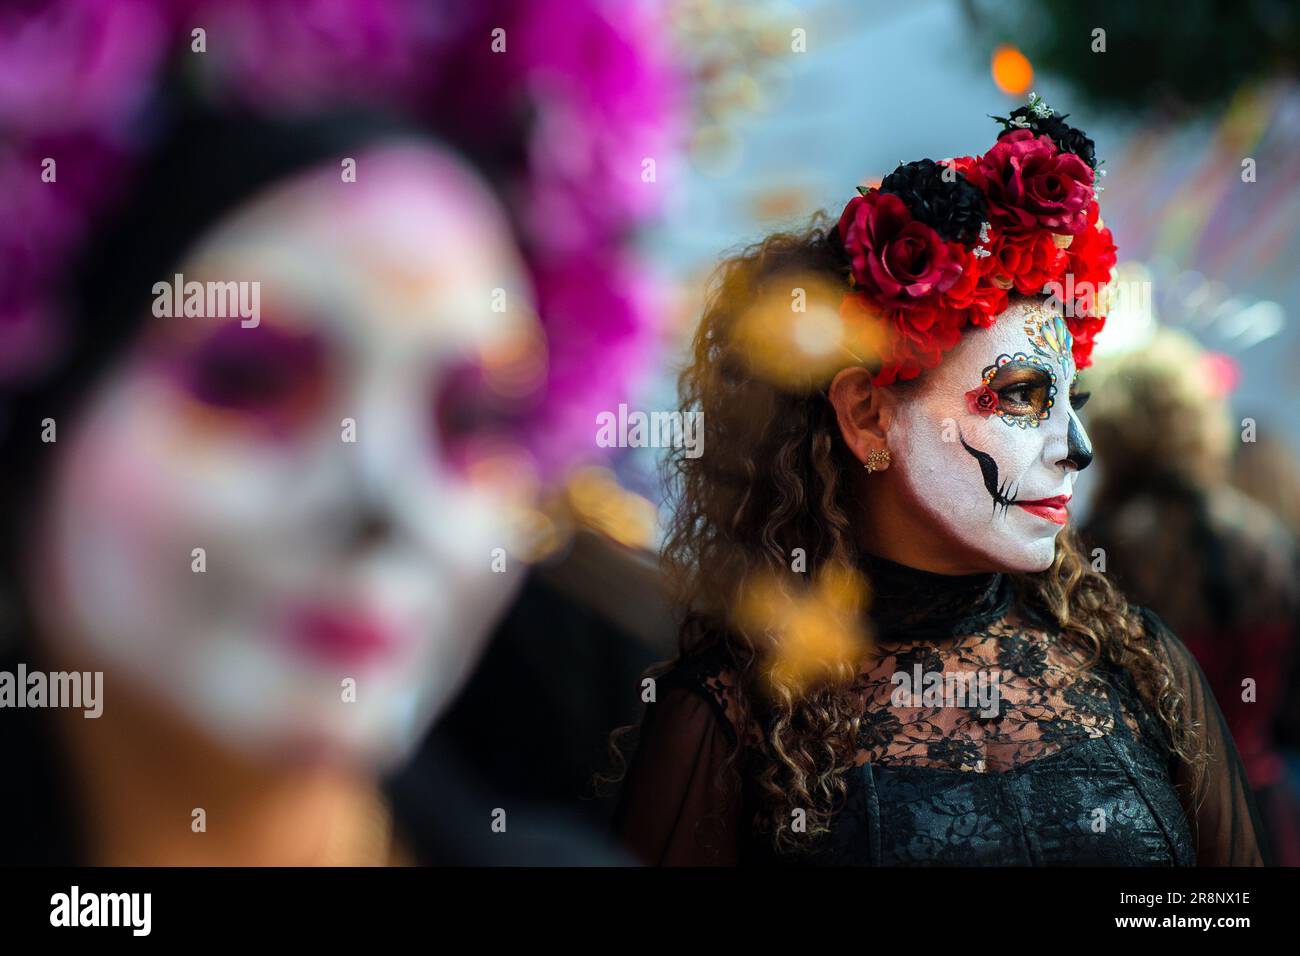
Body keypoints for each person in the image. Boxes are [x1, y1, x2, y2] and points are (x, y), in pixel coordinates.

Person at [611, 98, 1267, 865]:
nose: (1078, 447)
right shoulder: (732, 721)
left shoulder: (1141, 667)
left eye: (1072, 399)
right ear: (867, 416)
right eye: (1023, 395)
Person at [1083, 338, 1300, 865]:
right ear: (1200, 423)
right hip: (1259, 803)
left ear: (1113, 430)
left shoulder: (1097, 546)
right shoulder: (1262, 537)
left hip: (1149, 816)